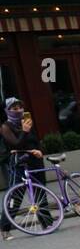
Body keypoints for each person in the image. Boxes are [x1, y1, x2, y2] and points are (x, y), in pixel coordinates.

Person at [1, 96, 48, 239]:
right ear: (7, 111)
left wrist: (40, 151)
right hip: (19, 163)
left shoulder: (26, 123)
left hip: (34, 161)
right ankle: (5, 228)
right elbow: (16, 144)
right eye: (14, 108)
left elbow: (34, 141)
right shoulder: (5, 127)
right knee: (16, 195)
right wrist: (25, 131)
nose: (19, 110)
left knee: (40, 192)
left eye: (20, 107)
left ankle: (47, 223)